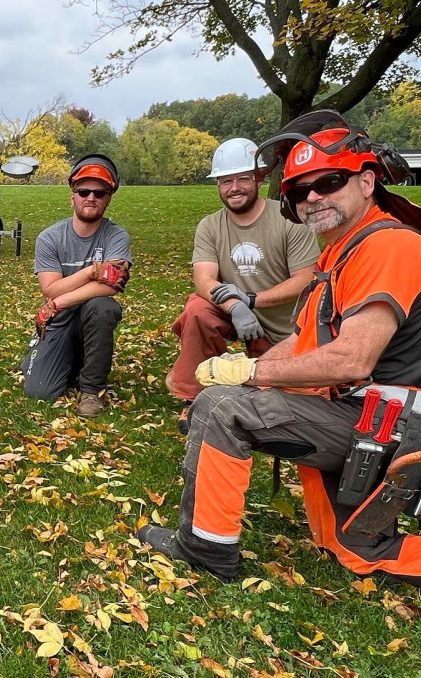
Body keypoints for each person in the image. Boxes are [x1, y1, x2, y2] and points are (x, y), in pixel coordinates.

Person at [138, 112, 421, 584]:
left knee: (223, 408)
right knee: (354, 550)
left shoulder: (387, 246)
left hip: (391, 427)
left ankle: (205, 547)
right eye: (298, 191)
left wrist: (248, 379)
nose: (313, 197)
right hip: (362, 416)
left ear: (367, 182)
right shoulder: (339, 251)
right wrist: (246, 364)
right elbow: (304, 339)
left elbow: (353, 358)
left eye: (329, 181)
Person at [166, 138, 319, 433]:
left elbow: (305, 280)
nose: (234, 188)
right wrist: (235, 306)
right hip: (234, 310)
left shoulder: (290, 221)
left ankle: (248, 372)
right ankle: (192, 396)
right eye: (225, 181)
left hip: (283, 326)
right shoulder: (210, 226)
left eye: (242, 179)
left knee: (284, 394)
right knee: (198, 309)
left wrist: (251, 301)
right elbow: (204, 280)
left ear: (259, 178)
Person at [20, 154, 131, 417]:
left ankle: (91, 391)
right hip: (58, 323)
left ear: (109, 197)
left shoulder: (116, 236)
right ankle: (61, 359)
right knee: (40, 391)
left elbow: (111, 285)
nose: (90, 197)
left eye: (99, 192)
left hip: (80, 315)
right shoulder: (49, 237)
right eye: (83, 191)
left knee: (103, 307)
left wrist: (59, 302)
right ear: (73, 196)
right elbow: (50, 288)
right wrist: (93, 271)